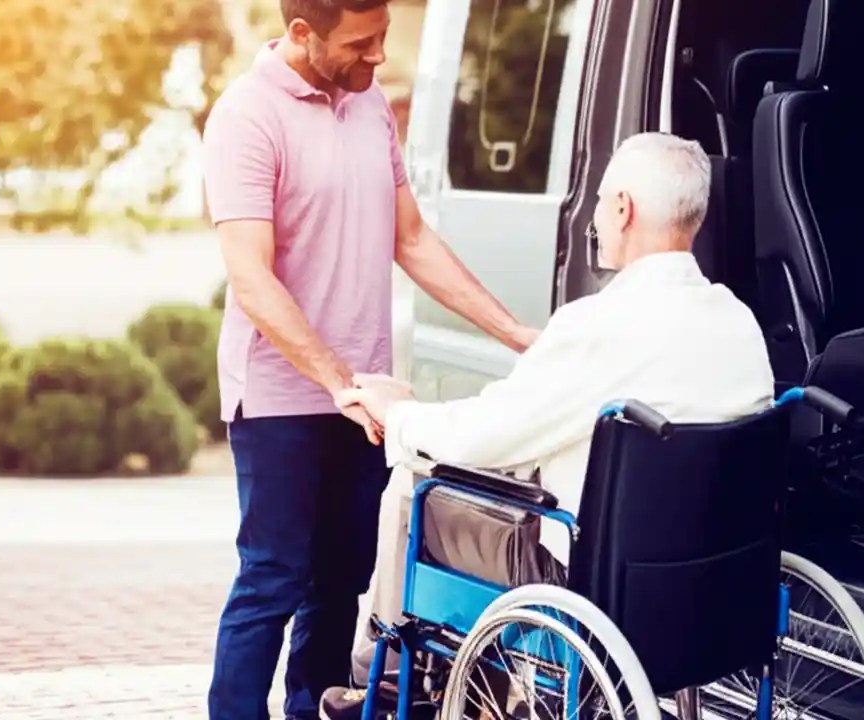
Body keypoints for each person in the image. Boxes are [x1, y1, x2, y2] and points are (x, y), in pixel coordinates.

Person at [322, 132, 777, 718]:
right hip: (720, 585)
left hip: (598, 589)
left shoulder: (596, 325)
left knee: (413, 489)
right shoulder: (739, 322)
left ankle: (382, 678)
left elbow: (488, 437)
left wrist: (401, 415)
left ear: (623, 209)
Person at [200, 1, 537, 718]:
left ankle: (311, 708)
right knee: (273, 578)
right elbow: (252, 277)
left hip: (366, 397)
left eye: (382, 36)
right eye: (362, 42)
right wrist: (335, 381)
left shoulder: (369, 103)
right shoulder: (246, 117)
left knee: (342, 578)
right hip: (281, 398)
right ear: (301, 34)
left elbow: (410, 238)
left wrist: (517, 334)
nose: (380, 56)